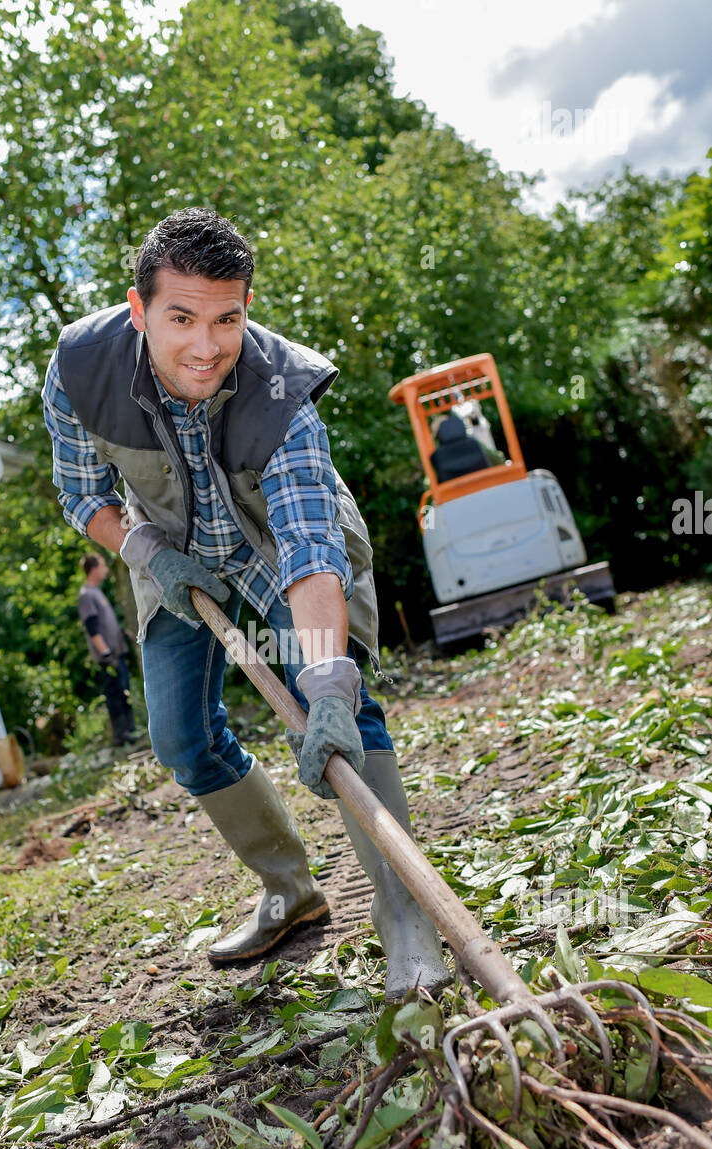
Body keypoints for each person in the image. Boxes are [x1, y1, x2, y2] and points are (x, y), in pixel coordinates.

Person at [42, 207, 452, 999]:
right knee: (182, 739)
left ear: (245, 310)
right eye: (181, 318)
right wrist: (146, 551)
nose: (206, 344)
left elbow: (307, 543)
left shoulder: (282, 390)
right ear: (138, 309)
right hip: (170, 554)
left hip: (273, 550)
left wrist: (325, 679)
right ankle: (289, 891)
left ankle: (405, 917)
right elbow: (79, 492)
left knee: (345, 707)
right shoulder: (80, 368)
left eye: (227, 318)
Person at [76, 552, 137, 746]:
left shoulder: (97, 592)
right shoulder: (86, 595)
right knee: (115, 695)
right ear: (93, 569)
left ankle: (131, 730)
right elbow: (93, 629)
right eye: (102, 565)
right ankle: (121, 735)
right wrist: (106, 653)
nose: (105, 569)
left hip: (117, 652)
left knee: (124, 690)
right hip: (108, 657)